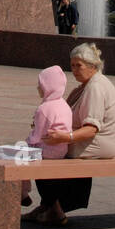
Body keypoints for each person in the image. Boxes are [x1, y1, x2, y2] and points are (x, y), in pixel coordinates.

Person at [27, 41, 115, 227]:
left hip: (97, 143)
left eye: (79, 65)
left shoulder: (95, 87)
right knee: (46, 146)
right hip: (90, 140)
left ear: (92, 65)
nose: (74, 70)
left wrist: (64, 137)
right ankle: (48, 205)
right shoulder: (86, 85)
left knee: (44, 152)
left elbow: (91, 129)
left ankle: (53, 207)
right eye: (72, 66)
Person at [19, 65, 73, 208]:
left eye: (40, 85)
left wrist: (25, 144)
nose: (38, 88)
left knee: (19, 153)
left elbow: (36, 136)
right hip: (61, 150)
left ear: (48, 87)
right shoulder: (64, 105)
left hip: (47, 151)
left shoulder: (44, 109)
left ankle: (22, 193)